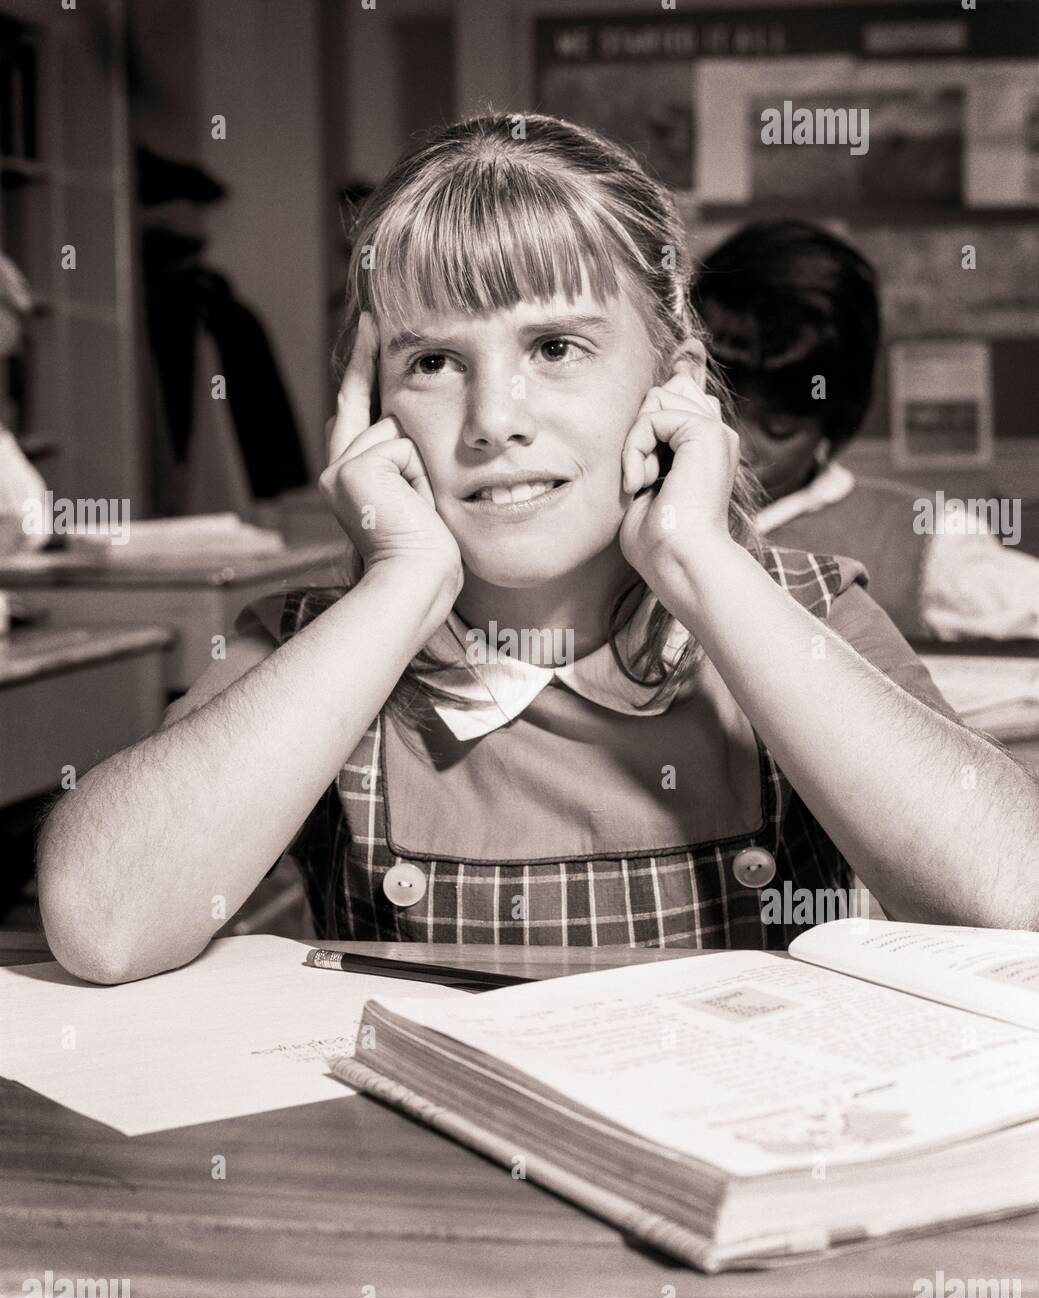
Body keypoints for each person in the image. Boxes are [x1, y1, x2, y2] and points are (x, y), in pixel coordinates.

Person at [37, 114, 1039, 985]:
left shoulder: (809, 613)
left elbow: (1017, 901)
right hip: (443, 1202)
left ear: (674, 381)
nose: (493, 419)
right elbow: (103, 924)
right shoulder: (314, 648)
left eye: (555, 348)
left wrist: (697, 562)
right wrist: (402, 587)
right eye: (433, 362)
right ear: (370, 408)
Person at [691, 219, 1039, 641]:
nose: (736, 442)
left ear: (833, 423)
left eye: (778, 426)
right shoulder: (627, 506)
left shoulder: (926, 543)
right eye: (719, 405)